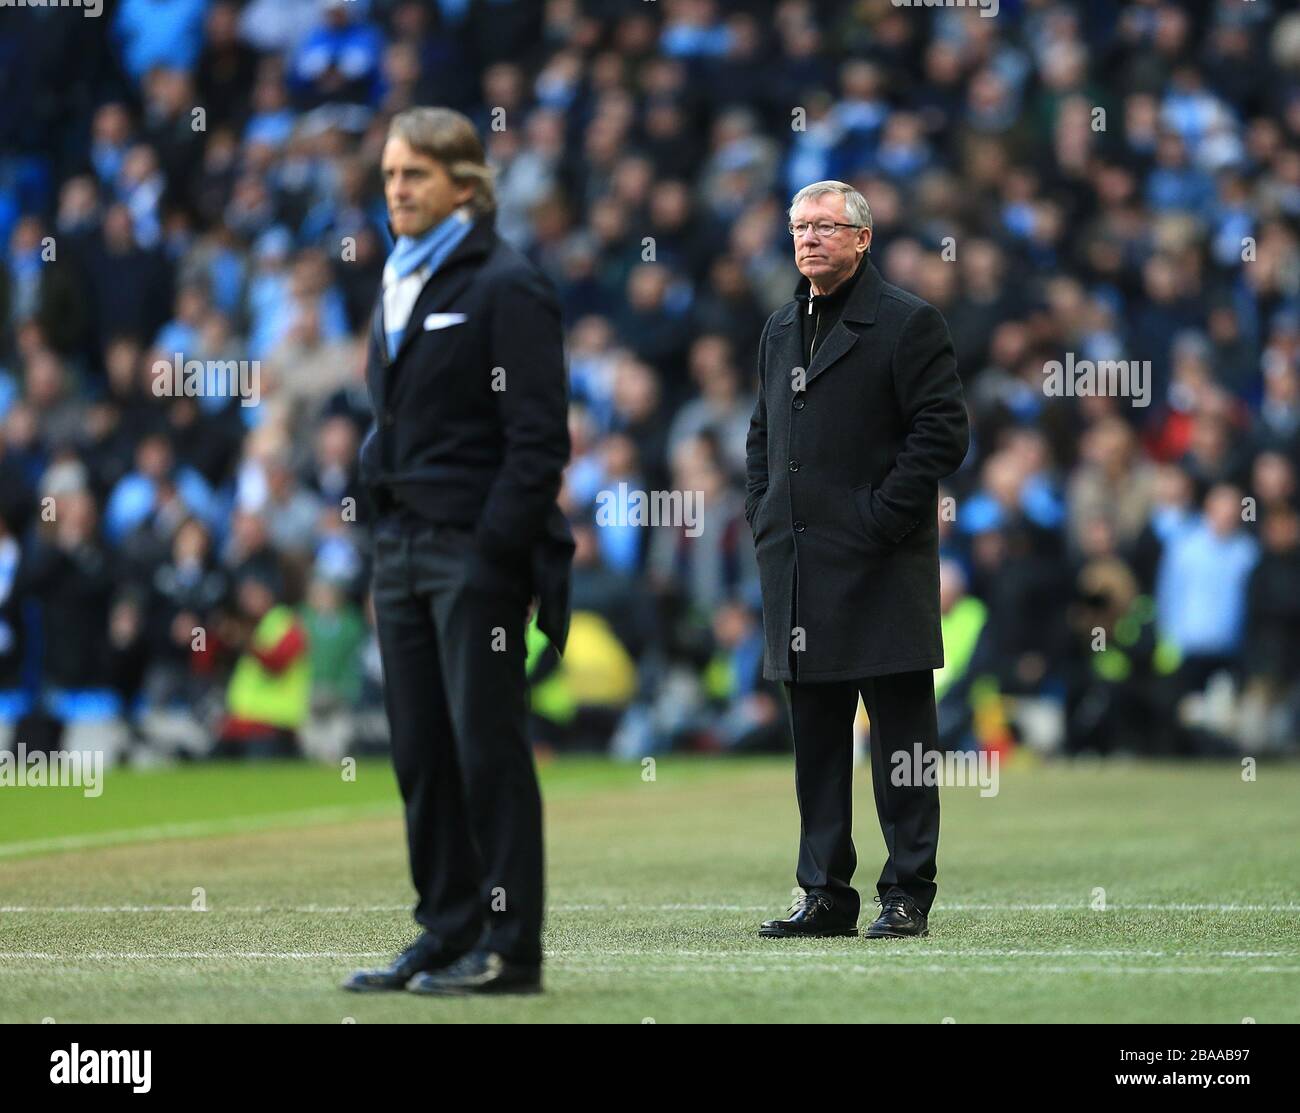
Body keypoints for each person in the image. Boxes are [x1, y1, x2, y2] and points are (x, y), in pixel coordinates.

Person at [343, 108, 573, 996]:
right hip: (400, 549)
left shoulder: (507, 283)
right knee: (421, 753)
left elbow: (537, 443)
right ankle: (445, 930)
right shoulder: (400, 279)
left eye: (416, 176)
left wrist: (490, 558)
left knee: (488, 751)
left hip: (470, 551)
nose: (395, 189)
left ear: (466, 187)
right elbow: (390, 419)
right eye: (391, 173)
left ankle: (512, 948)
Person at [745, 181, 969, 940]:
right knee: (816, 741)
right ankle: (825, 892)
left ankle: (907, 891)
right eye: (799, 227)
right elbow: (761, 437)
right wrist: (765, 511)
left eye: (826, 227)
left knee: (902, 740)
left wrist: (880, 518)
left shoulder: (908, 322)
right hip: (801, 567)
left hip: (879, 566)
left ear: (863, 238)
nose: (808, 239)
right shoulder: (780, 327)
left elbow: (943, 432)